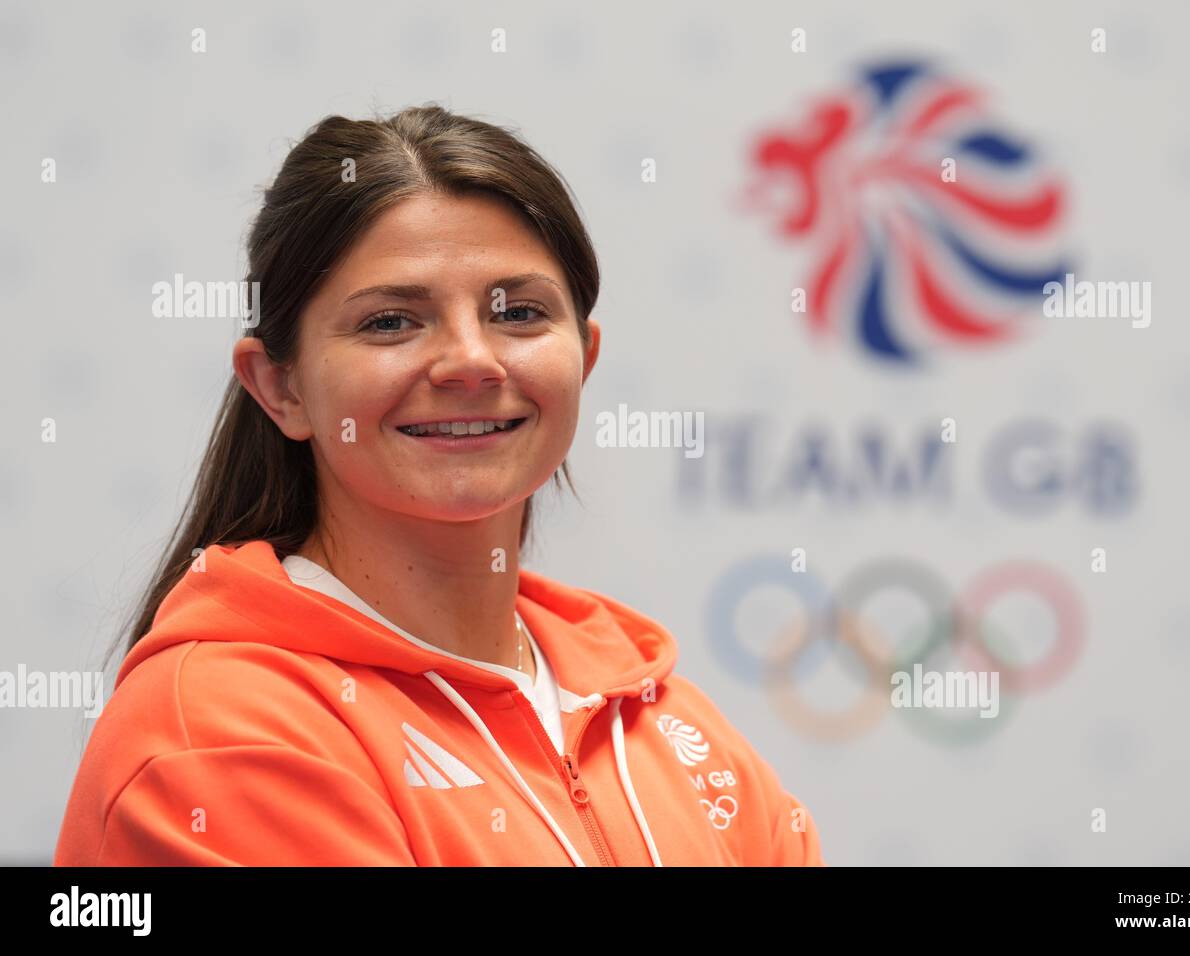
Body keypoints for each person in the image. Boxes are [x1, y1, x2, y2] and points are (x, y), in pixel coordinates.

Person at [53, 105, 825, 867]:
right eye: (391, 322)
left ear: (583, 360)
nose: (471, 361)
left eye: (518, 313)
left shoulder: (666, 725)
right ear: (280, 387)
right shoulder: (216, 730)